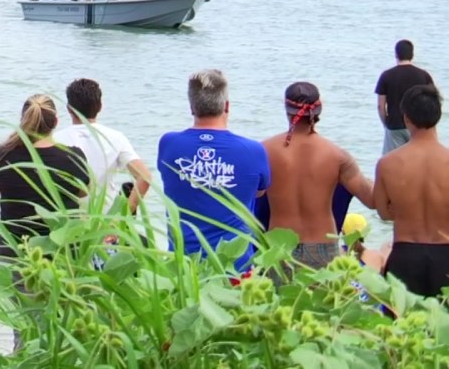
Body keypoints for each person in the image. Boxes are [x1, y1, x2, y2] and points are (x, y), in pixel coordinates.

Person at [158, 69, 270, 275]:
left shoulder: (169, 143)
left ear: (192, 107)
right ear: (226, 106)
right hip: (236, 266)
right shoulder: (253, 150)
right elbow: (260, 192)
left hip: (183, 266)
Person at [260, 82, 375, 276]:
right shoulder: (337, 156)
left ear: (287, 111)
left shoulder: (263, 151)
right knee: (321, 306)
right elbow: (372, 200)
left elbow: (252, 194)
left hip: (279, 247)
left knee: (282, 304)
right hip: (322, 249)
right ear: (318, 111)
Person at [0, 95, 89, 262]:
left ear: (24, 120)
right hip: (62, 252)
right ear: (56, 122)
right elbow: (83, 192)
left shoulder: (4, 154)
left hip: (15, 249)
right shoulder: (73, 157)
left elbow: (0, 188)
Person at [374, 85, 449, 300]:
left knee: (402, 329)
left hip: (405, 255)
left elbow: (383, 213)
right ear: (438, 115)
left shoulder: (387, 163)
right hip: (446, 255)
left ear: (406, 117)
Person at [55, 78, 152, 214]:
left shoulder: (56, 139)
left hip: (69, 221)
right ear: (100, 106)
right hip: (106, 221)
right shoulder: (115, 137)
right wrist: (121, 217)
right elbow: (145, 177)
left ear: (69, 109)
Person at [375, 40, 435, 155]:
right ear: (412, 55)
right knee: (417, 160)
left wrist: (386, 124)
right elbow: (432, 104)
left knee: (393, 162)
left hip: (394, 125)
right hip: (418, 125)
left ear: (396, 54)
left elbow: (380, 106)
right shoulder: (424, 75)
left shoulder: (386, 75)